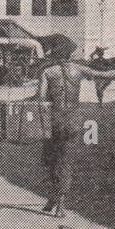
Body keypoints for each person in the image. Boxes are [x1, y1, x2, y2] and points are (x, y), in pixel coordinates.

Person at [39, 61, 76, 217]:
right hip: (72, 123)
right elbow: (104, 75)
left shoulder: (47, 72)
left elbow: (41, 99)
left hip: (53, 123)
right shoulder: (77, 70)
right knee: (65, 162)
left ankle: (53, 199)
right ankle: (59, 203)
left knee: (52, 161)